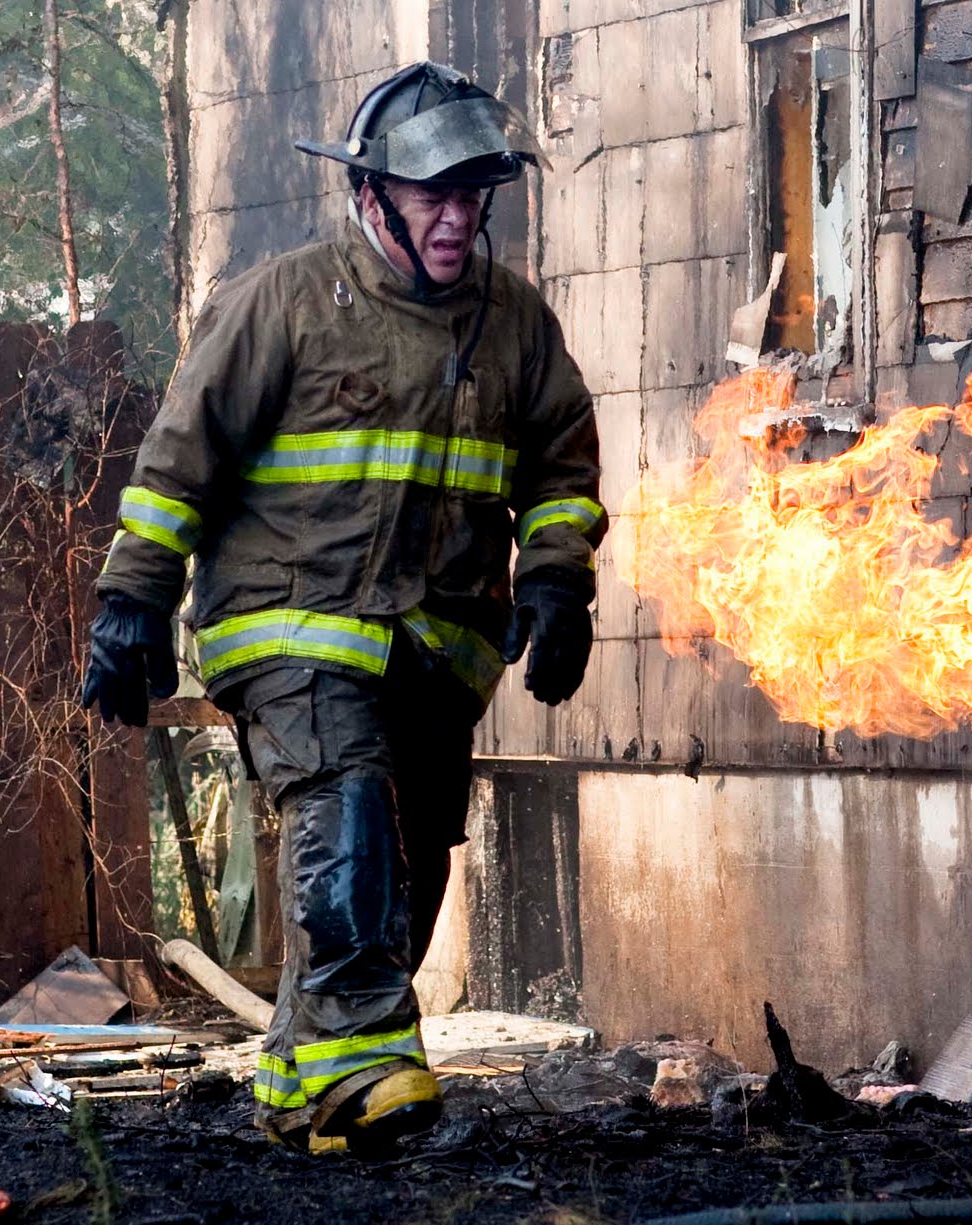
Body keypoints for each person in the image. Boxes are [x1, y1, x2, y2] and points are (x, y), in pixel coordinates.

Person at [81, 62, 606, 1154]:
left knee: (404, 879)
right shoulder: (284, 302)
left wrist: (557, 579)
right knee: (348, 815)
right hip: (290, 626)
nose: (457, 220)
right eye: (433, 198)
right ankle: (373, 1069)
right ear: (371, 197)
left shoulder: (513, 324)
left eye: (473, 198)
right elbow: (179, 462)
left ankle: (304, 1086)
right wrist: (132, 602)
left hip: (439, 645)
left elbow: (560, 466)